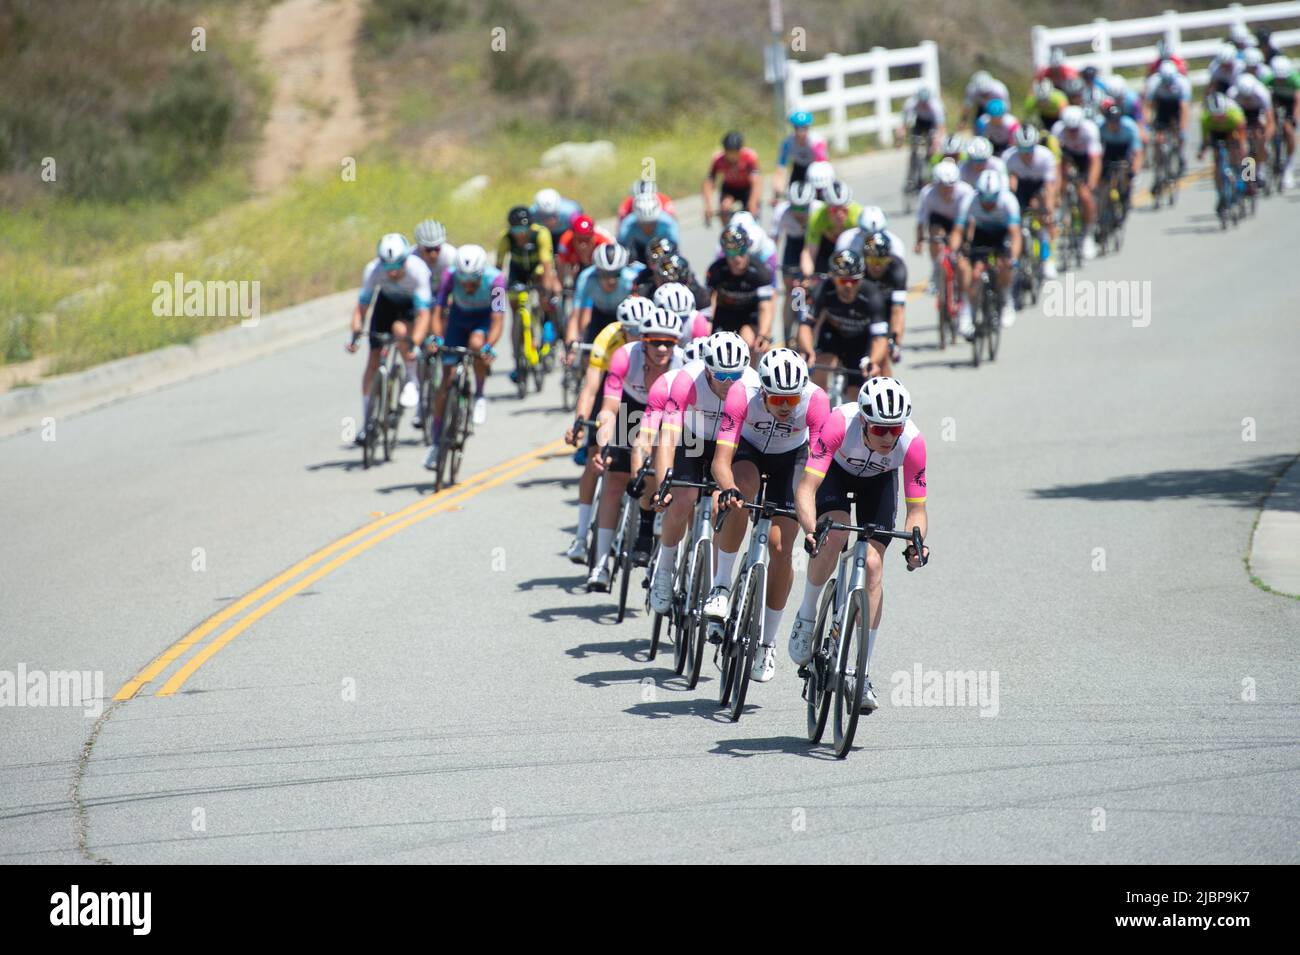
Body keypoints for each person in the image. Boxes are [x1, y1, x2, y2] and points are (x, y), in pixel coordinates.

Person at [790, 376, 928, 712]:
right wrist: (811, 530)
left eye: (894, 429)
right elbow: (806, 489)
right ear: (863, 420)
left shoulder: (912, 443)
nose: (887, 436)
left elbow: (917, 511)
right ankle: (807, 615)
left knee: (873, 566)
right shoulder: (838, 423)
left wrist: (916, 545)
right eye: (879, 429)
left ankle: (862, 671)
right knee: (835, 534)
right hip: (834, 475)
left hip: (878, 483)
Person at [710, 349, 830, 682]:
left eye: (792, 400)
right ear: (761, 389)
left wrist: (811, 526)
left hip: (792, 458)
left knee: (780, 547)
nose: (785, 406)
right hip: (748, 451)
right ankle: (720, 586)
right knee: (741, 491)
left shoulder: (816, 401)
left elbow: (813, 477)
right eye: (777, 398)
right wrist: (729, 490)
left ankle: (767, 642)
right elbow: (721, 461)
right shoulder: (740, 393)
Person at [648, 332, 758, 613]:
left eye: (735, 374)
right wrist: (663, 485)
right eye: (721, 375)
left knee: (732, 499)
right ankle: (665, 566)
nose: (729, 382)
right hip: (693, 439)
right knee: (683, 498)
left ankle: (719, 583)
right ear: (707, 368)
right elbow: (668, 438)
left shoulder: (750, 386)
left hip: (731, 443)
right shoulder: (687, 379)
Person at [587, 307, 685, 591]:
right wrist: (604, 446)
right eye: (656, 342)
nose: (663, 348)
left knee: (655, 465)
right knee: (614, 482)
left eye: (669, 342)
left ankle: (647, 524)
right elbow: (608, 409)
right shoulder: (624, 357)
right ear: (644, 341)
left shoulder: (681, 365)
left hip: (667, 412)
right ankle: (601, 564)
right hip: (629, 409)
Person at [563, 297, 652, 561]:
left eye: (640, 331)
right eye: (629, 331)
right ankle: (580, 536)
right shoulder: (609, 337)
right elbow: (591, 388)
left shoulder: (655, 345)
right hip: (612, 395)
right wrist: (580, 422)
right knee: (594, 459)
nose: (634, 336)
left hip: (641, 399)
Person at [419, 245, 505, 467]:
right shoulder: (450, 275)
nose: (467, 285)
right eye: (463, 280)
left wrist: (488, 346)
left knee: (477, 345)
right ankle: (436, 445)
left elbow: (498, 320)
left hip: (483, 320)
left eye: (472, 281)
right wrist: (437, 337)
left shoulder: (497, 281)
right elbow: (437, 311)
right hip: (458, 319)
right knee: (445, 383)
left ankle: (479, 395)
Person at [347, 234, 431, 446]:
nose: (393, 271)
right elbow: (362, 307)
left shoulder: (418, 270)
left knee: (401, 331)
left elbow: (424, 314)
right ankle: (367, 421)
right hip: (385, 306)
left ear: (406, 260)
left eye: (398, 266)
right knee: (373, 360)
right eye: (388, 266)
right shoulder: (373, 270)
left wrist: (415, 341)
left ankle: (412, 378)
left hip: (411, 307)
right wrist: (355, 334)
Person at [798, 248, 890, 403]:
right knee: (821, 366)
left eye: (853, 280)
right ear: (833, 278)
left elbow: (880, 338)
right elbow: (806, 325)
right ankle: (820, 410)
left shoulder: (873, 295)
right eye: (843, 280)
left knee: (855, 395)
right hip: (834, 335)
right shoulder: (822, 289)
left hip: (861, 340)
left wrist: (873, 361)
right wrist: (808, 350)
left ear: (861, 279)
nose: (848, 286)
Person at [954, 168, 1022, 335]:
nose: (989, 204)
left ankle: (1006, 300)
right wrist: (954, 251)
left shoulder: (1008, 200)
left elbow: (1015, 235)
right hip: (981, 234)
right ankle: (967, 312)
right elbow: (958, 230)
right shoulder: (969, 201)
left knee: (1005, 265)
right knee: (971, 272)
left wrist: (1013, 258)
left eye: (992, 201)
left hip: (1001, 235)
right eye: (985, 201)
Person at [706, 226, 776, 357]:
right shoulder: (716, 270)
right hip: (725, 313)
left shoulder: (760, 272)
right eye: (731, 254)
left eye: (741, 252)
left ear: (748, 250)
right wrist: (708, 322)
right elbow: (710, 300)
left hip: (749, 314)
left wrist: (763, 334)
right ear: (725, 253)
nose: (737, 258)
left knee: (746, 343)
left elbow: (766, 307)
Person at [1002, 125, 1059, 279]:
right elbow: (1009, 184)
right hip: (1020, 186)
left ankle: (1048, 258)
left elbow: (1049, 187)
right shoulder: (1009, 157)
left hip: (1039, 186)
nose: (1026, 154)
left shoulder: (1045, 156)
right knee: (1015, 221)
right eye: (1022, 149)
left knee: (1045, 216)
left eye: (1029, 150)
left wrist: (1048, 208)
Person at [1051, 105, 1102, 260]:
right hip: (1068, 157)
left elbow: (1095, 160)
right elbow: (1057, 163)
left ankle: (1088, 235)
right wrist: (1057, 190)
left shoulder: (1090, 130)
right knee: (1060, 184)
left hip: (1086, 159)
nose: (1072, 132)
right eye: (1069, 129)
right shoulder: (1058, 130)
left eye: (1075, 129)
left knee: (1086, 197)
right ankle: (1063, 214)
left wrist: (1091, 183)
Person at [703, 131, 762, 225]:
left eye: (735, 152)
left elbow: (756, 182)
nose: (732, 156)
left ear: (740, 150)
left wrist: (753, 202)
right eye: (729, 152)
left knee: (751, 212)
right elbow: (709, 182)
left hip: (747, 188)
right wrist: (708, 205)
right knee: (724, 207)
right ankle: (727, 234)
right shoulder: (718, 159)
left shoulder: (750, 156)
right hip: (730, 188)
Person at [774, 110, 829, 203]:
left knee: (821, 194)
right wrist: (778, 190)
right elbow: (781, 167)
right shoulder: (788, 143)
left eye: (804, 128)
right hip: (798, 168)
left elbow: (823, 164)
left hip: (814, 169)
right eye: (797, 128)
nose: (801, 132)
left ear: (808, 127)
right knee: (793, 196)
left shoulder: (816, 142)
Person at [618, 194, 680, 265]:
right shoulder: (628, 225)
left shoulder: (667, 224)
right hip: (640, 250)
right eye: (643, 224)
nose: (648, 228)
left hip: (661, 248)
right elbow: (622, 250)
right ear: (637, 220)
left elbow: (675, 248)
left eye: (652, 223)